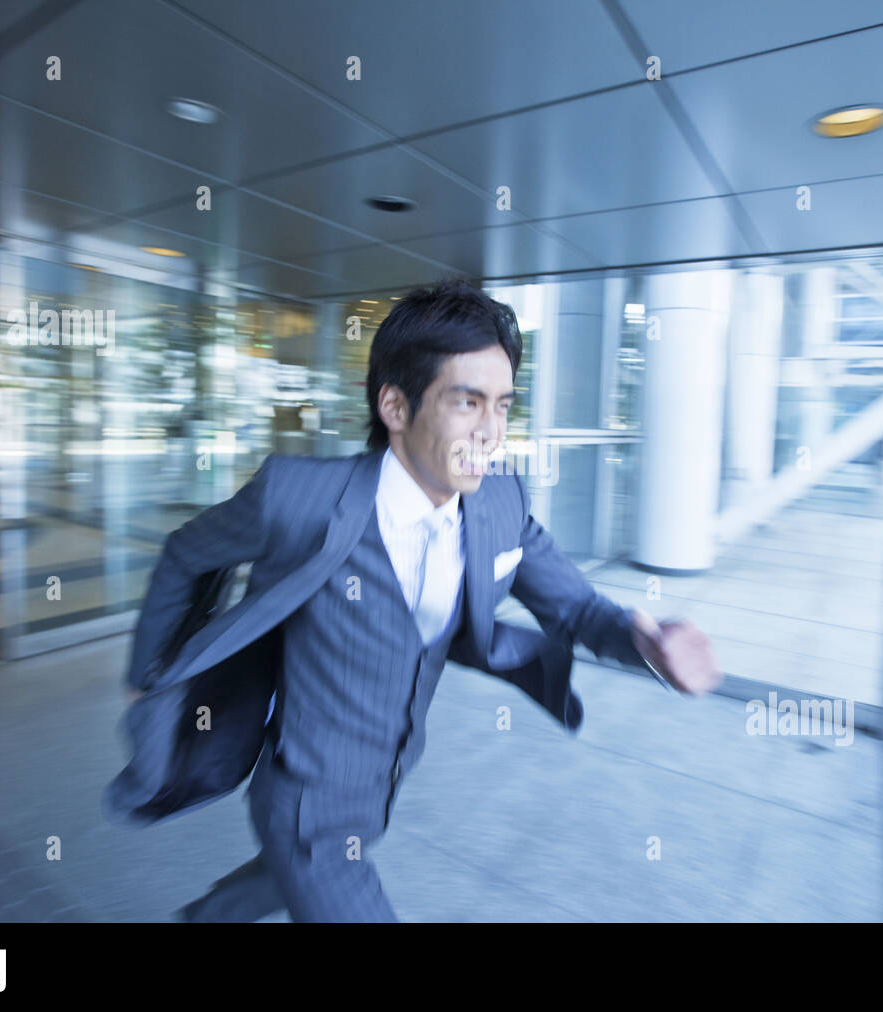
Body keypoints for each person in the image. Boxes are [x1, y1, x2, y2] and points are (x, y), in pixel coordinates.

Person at [109, 278, 720, 921]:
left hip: (383, 787)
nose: (492, 432)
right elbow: (186, 552)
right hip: (303, 801)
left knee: (276, 885)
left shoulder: (499, 504)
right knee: (319, 874)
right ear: (396, 407)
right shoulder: (299, 499)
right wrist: (146, 671)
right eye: (468, 402)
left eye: (504, 405)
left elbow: (577, 610)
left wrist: (645, 642)